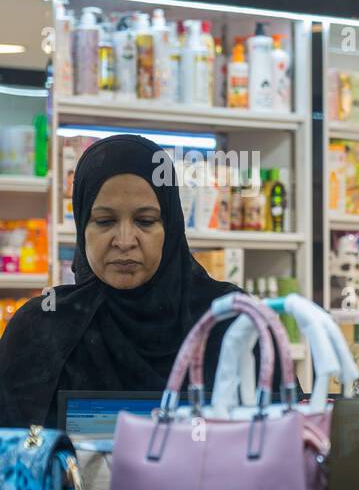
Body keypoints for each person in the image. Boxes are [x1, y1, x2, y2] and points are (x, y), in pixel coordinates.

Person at [0, 134, 245, 428]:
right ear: (82, 225)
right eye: (104, 221)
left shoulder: (230, 322)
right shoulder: (39, 331)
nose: (125, 241)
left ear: (171, 225)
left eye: (145, 220)